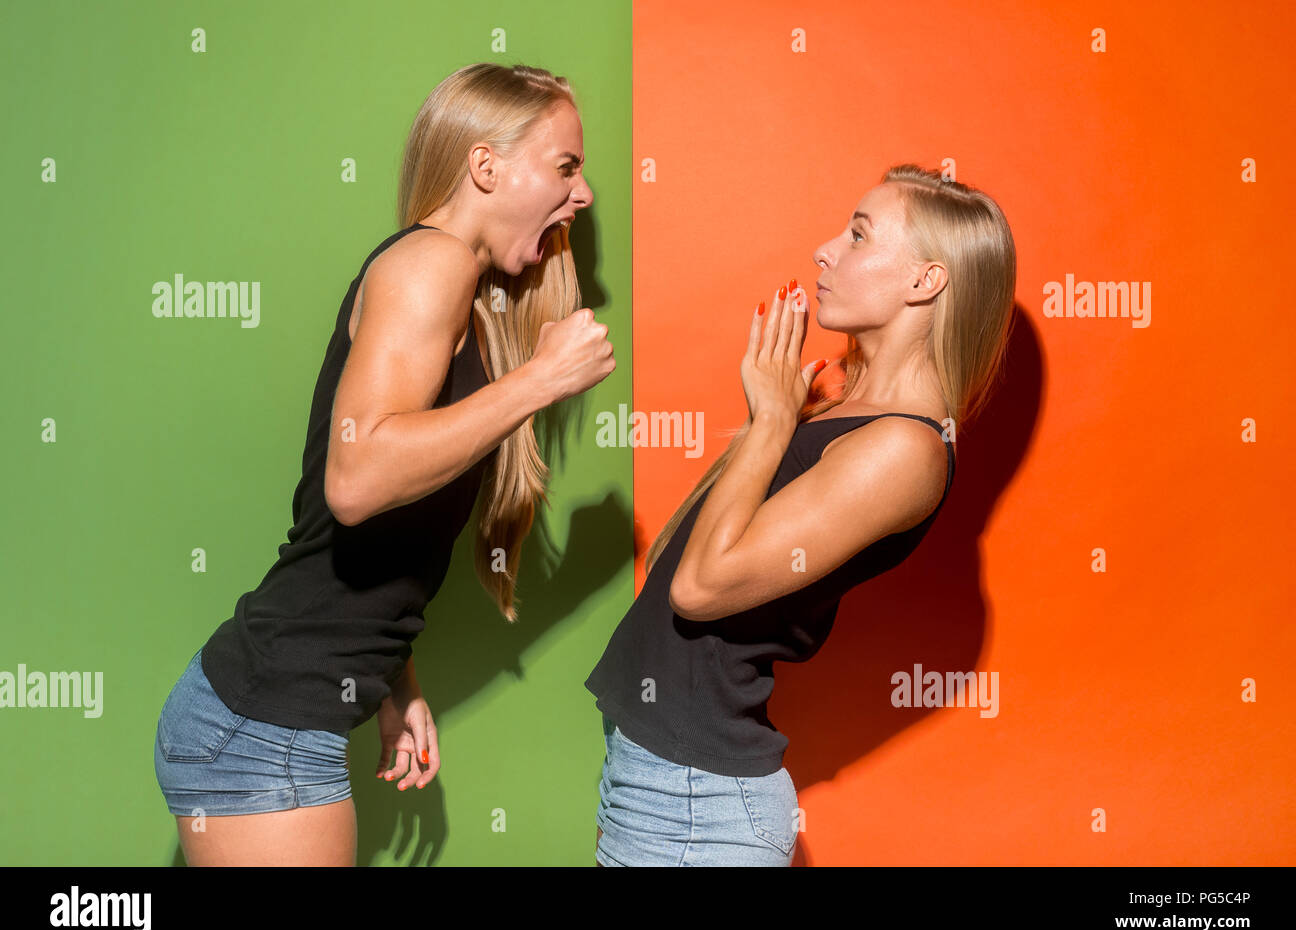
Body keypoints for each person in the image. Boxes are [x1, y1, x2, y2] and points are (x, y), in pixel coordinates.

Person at [154, 62, 611, 865]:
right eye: (567, 166)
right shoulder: (428, 265)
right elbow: (358, 481)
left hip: (276, 717)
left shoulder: (454, 286)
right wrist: (538, 382)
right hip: (263, 730)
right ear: (486, 165)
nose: (585, 194)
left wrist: (395, 685)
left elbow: (373, 532)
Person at [585, 164, 1016, 866]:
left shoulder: (905, 448)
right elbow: (677, 551)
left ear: (925, 282)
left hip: (695, 801)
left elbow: (700, 588)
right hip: (661, 780)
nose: (825, 250)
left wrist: (771, 422)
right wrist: (779, 420)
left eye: (858, 235)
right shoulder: (844, 412)